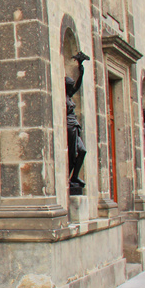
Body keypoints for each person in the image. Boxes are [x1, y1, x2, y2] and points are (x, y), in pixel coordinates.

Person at [65, 52, 90, 194]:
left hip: (75, 126)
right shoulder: (64, 97)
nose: (72, 87)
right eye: (70, 85)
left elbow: (77, 86)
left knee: (82, 151)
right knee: (74, 152)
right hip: (69, 126)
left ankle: (74, 176)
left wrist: (81, 72)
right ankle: (70, 177)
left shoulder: (68, 95)